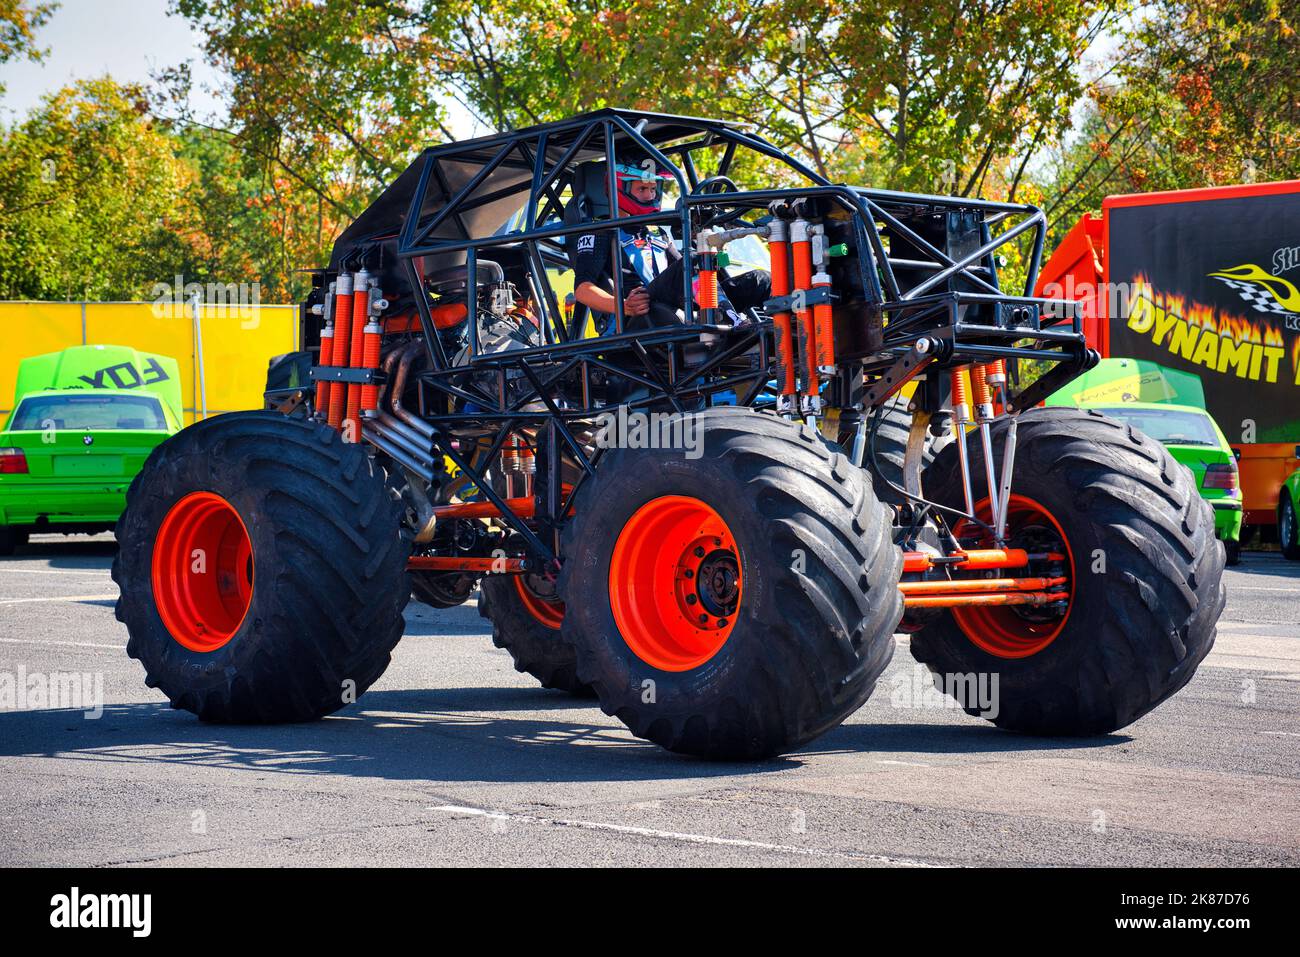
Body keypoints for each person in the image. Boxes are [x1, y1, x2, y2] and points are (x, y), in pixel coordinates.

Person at [570, 154, 770, 332]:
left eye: (653, 189)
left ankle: (786, 326)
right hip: (635, 317)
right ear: (618, 190)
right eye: (642, 189)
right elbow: (582, 289)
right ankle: (732, 322)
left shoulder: (657, 233)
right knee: (693, 261)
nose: (650, 195)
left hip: (672, 307)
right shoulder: (601, 232)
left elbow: (687, 270)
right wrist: (623, 306)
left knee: (760, 279)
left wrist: (711, 257)